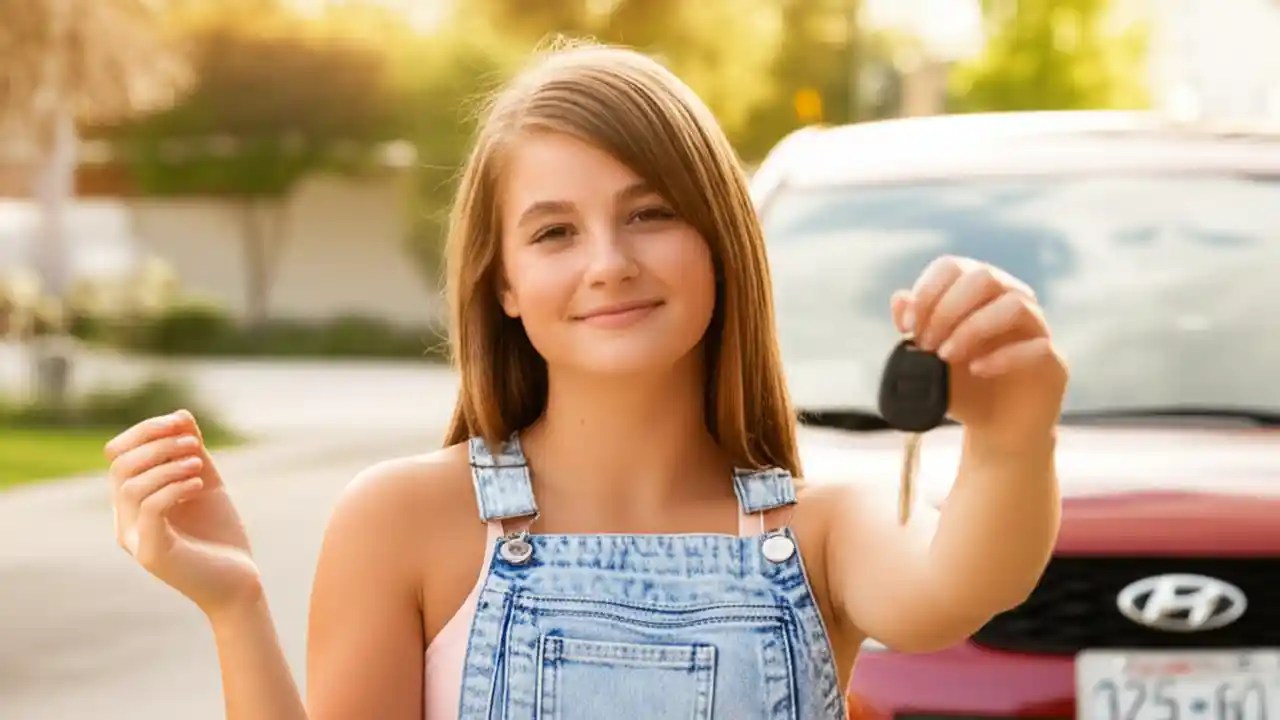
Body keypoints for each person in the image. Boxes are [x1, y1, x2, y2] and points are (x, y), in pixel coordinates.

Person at [102, 41, 1067, 720]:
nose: (608, 260)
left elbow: (962, 583)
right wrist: (235, 606)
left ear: (720, 244)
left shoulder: (822, 532)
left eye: (650, 213)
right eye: (555, 231)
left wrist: (1013, 435)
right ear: (506, 285)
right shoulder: (404, 521)